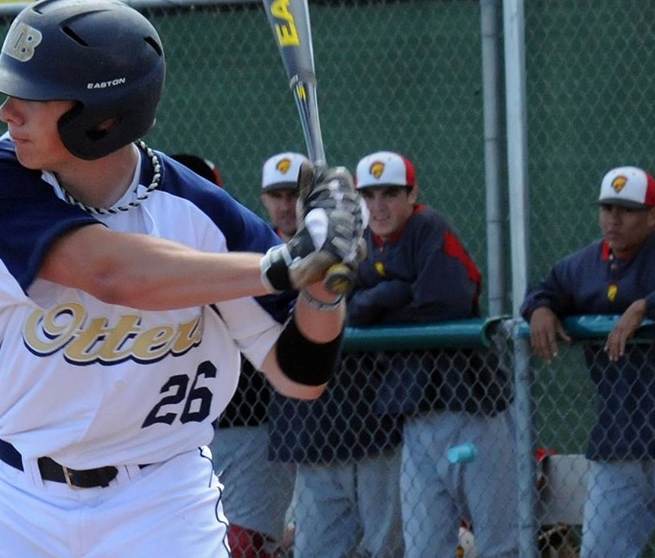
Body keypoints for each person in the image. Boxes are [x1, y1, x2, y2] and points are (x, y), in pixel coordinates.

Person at [0, 0, 366, 558]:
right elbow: (110, 272)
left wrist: (323, 285)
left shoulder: (203, 215)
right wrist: (285, 263)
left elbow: (300, 373)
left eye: (31, 96)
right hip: (15, 498)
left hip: (160, 502)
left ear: (102, 119)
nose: (7, 112)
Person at [522, 166, 655, 558]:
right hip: (617, 436)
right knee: (600, 549)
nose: (613, 219)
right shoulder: (584, 263)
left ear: (652, 215)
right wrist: (539, 308)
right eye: (607, 208)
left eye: (627, 210)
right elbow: (544, 289)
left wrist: (648, 306)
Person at [349, 151, 513, 558]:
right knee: (424, 548)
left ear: (412, 194)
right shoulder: (363, 243)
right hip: (416, 415)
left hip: (471, 408)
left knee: (499, 543)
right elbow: (349, 309)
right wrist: (396, 290)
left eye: (390, 193)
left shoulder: (426, 225)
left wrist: (381, 306)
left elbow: (448, 299)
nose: (379, 206)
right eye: (368, 195)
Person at [266, 150, 404, 558]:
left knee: (385, 549)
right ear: (264, 200)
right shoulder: (262, 256)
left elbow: (395, 291)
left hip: (371, 428)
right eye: (278, 195)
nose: (288, 204)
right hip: (309, 435)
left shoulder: (360, 246)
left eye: (297, 194)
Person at [173, 152, 295, 557]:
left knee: (246, 545)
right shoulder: (143, 263)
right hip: (179, 436)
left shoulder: (243, 254)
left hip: (250, 420)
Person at [260, 152, 309, 242]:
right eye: (276, 196)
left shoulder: (333, 245)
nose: (285, 207)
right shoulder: (255, 247)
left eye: (294, 195)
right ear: (264, 200)